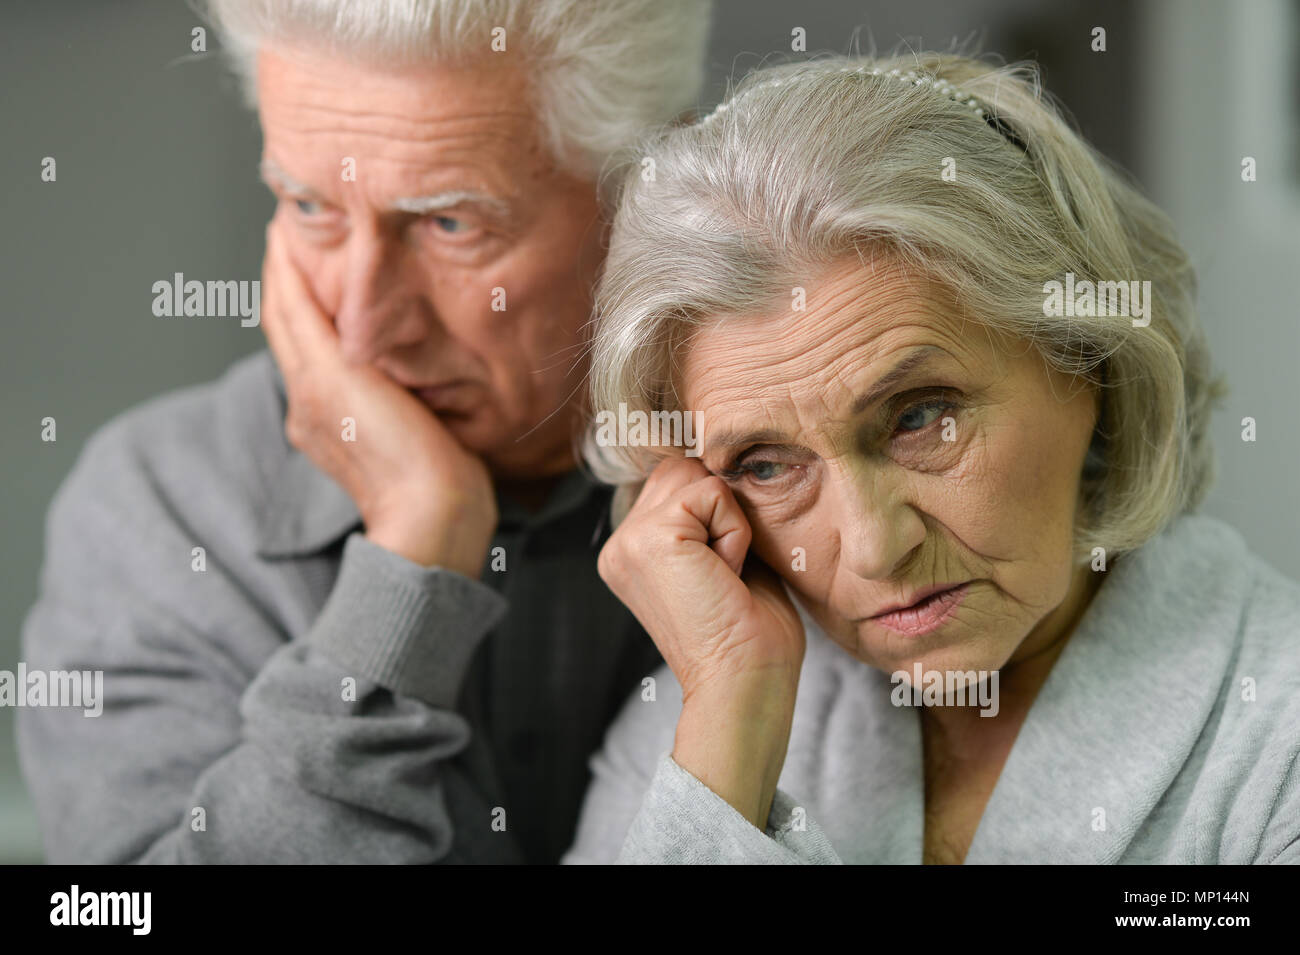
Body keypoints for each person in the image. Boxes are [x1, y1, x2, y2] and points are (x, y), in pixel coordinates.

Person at [16, 0, 711, 864]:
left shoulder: (795, 473)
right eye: (310, 206)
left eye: (449, 222)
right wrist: (414, 558)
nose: (361, 327)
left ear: (649, 193)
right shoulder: (159, 509)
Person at [564, 54, 1300, 864]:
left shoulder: (1279, 727)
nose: (877, 547)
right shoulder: (697, 730)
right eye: (767, 466)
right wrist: (728, 730)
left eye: (920, 417)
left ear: (1092, 361)